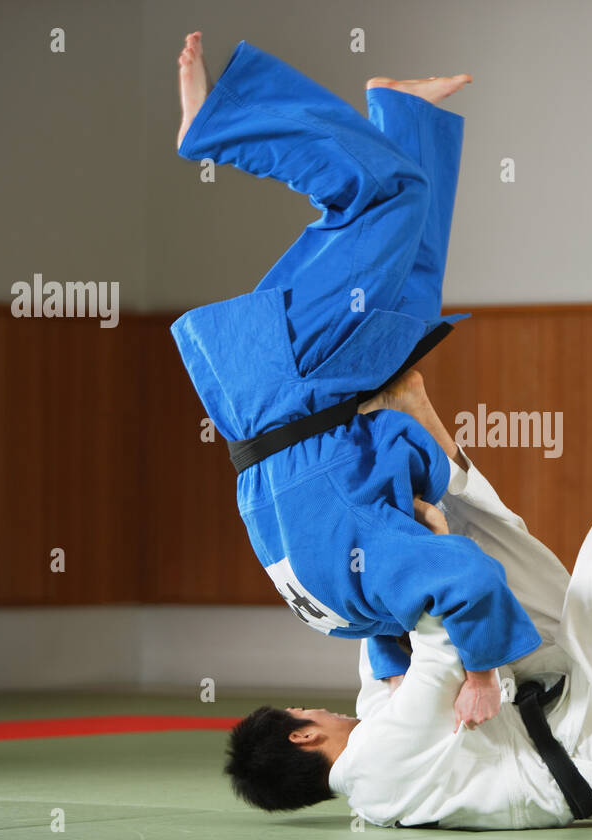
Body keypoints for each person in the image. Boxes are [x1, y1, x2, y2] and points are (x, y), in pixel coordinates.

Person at [225, 345, 592, 829]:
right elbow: (438, 649)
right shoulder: (378, 764)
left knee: (480, 554)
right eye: (304, 712)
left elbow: (388, 632)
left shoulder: (372, 750)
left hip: (548, 697)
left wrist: (384, 544)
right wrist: (418, 549)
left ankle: (427, 429)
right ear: (302, 735)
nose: (315, 707)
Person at [169, 34, 542, 727]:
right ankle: (405, 117)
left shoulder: (371, 590)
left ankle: (216, 125)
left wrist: (484, 676)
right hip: (299, 408)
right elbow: (380, 597)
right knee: (409, 299)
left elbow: (471, 577)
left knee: (388, 200)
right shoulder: (338, 612)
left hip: (295, 382)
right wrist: (398, 678)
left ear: (306, 738)